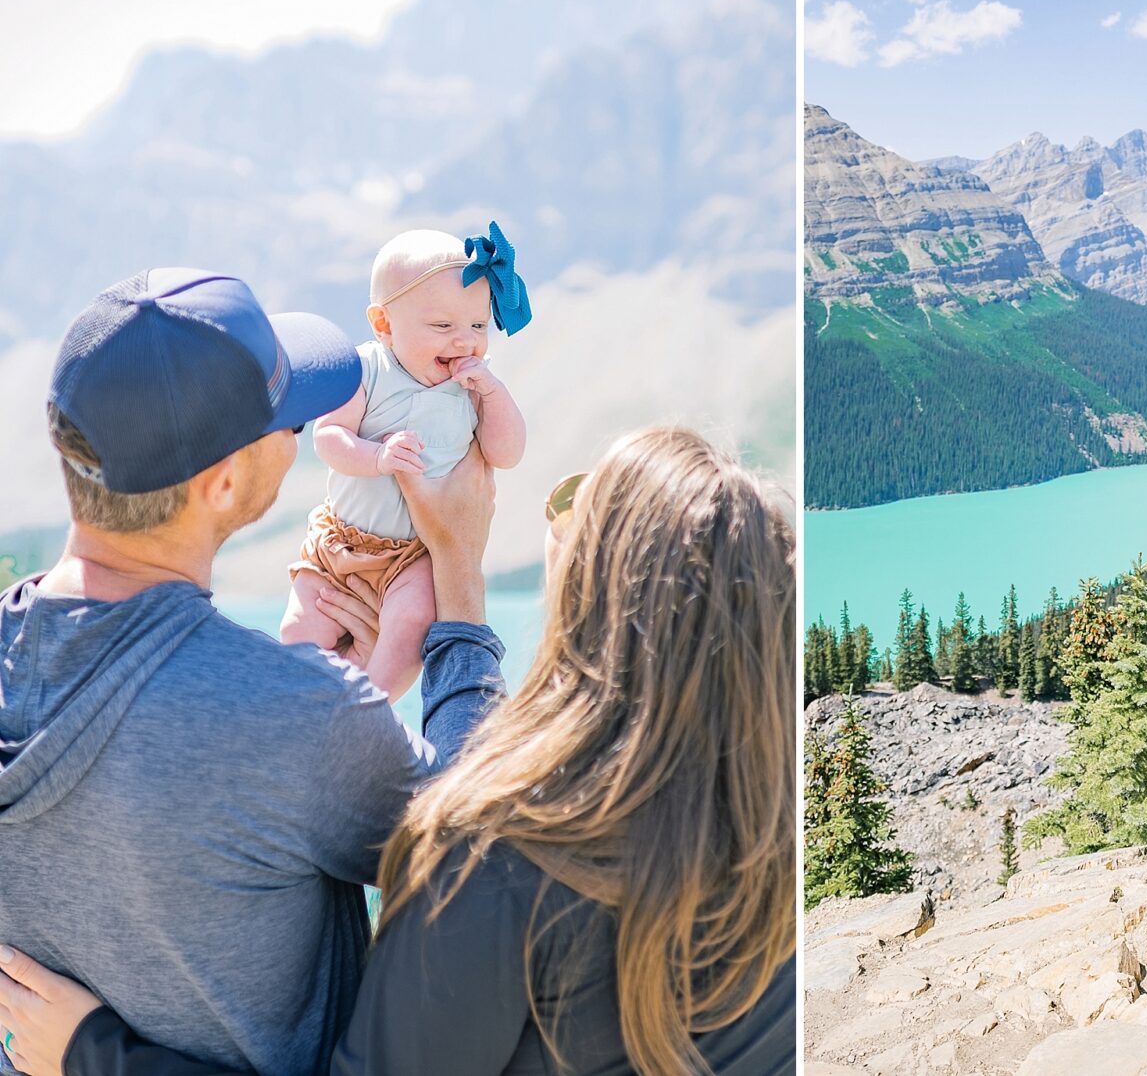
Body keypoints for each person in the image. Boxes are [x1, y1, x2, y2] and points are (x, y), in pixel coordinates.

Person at [0, 427, 797, 1076]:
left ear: (600, 589)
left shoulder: (496, 865)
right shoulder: (776, 818)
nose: (559, 523)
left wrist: (92, 1054)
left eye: (579, 509)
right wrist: (452, 597)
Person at [0, 270, 505, 1076]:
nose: (304, 430)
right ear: (225, 482)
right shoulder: (295, 717)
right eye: (288, 422)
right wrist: (460, 582)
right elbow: (491, 869)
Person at [282, 224, 528, 697]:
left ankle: (371, 715)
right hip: (340, 544)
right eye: (442, 326)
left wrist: (494, 396)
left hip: (415, 556)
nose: (464, 342)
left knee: (413, 623)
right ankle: (303, 710)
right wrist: (377, 457)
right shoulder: (367, 368)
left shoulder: (474, 385)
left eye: (478, 326)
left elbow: (507, 453)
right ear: (383, 324)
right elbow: (329, 437)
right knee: (300, 626)